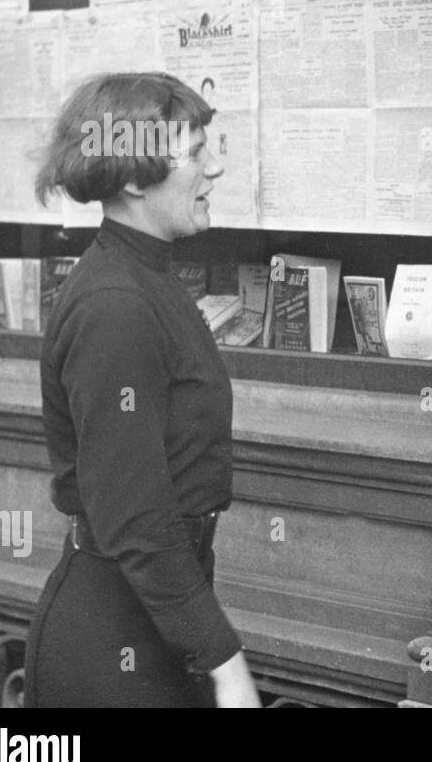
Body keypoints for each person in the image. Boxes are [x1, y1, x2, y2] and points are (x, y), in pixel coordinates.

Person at [24, 72, 261, 708]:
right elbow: (135, 514)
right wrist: (224, 663)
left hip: (150, 627)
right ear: (133, 177)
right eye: (194, 153)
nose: (214, 169)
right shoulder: (115, 303)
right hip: (112, 650)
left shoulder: (142, 277)